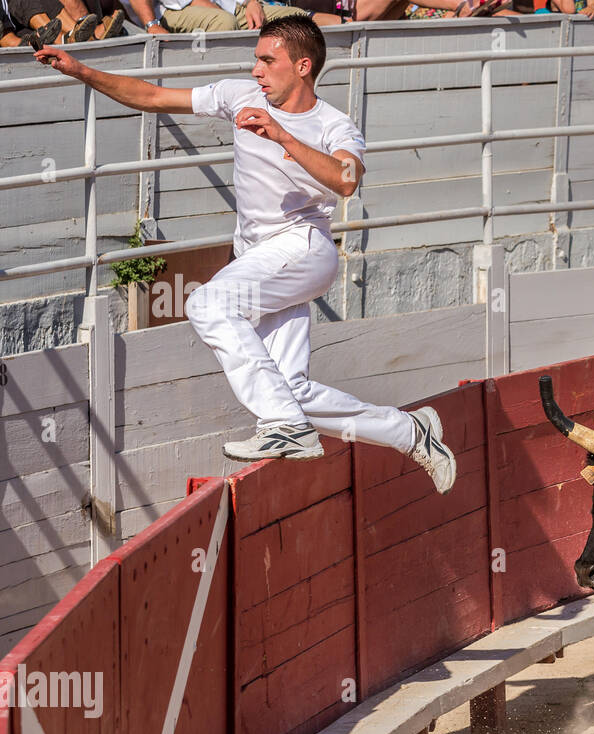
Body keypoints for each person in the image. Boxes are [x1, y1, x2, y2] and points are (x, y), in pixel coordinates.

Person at [34, 16, 457, 491]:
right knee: (290, 390)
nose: (256, 69)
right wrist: (82, 71)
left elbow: (345, 180)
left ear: (302, 65)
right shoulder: (239, 95)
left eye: (266, 60)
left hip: (302, 248)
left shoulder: (333, 124)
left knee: (207, 303)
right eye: (256, 59)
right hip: (259, 260)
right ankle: (411, 431)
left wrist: (282, 136)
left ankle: (286, 428)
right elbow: (153, 97)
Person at [154, 0, 341, 33]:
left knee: (298, 18)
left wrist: (251, 2)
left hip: (229, 6)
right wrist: (150, 24)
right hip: (174, 10)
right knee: (223, 22)